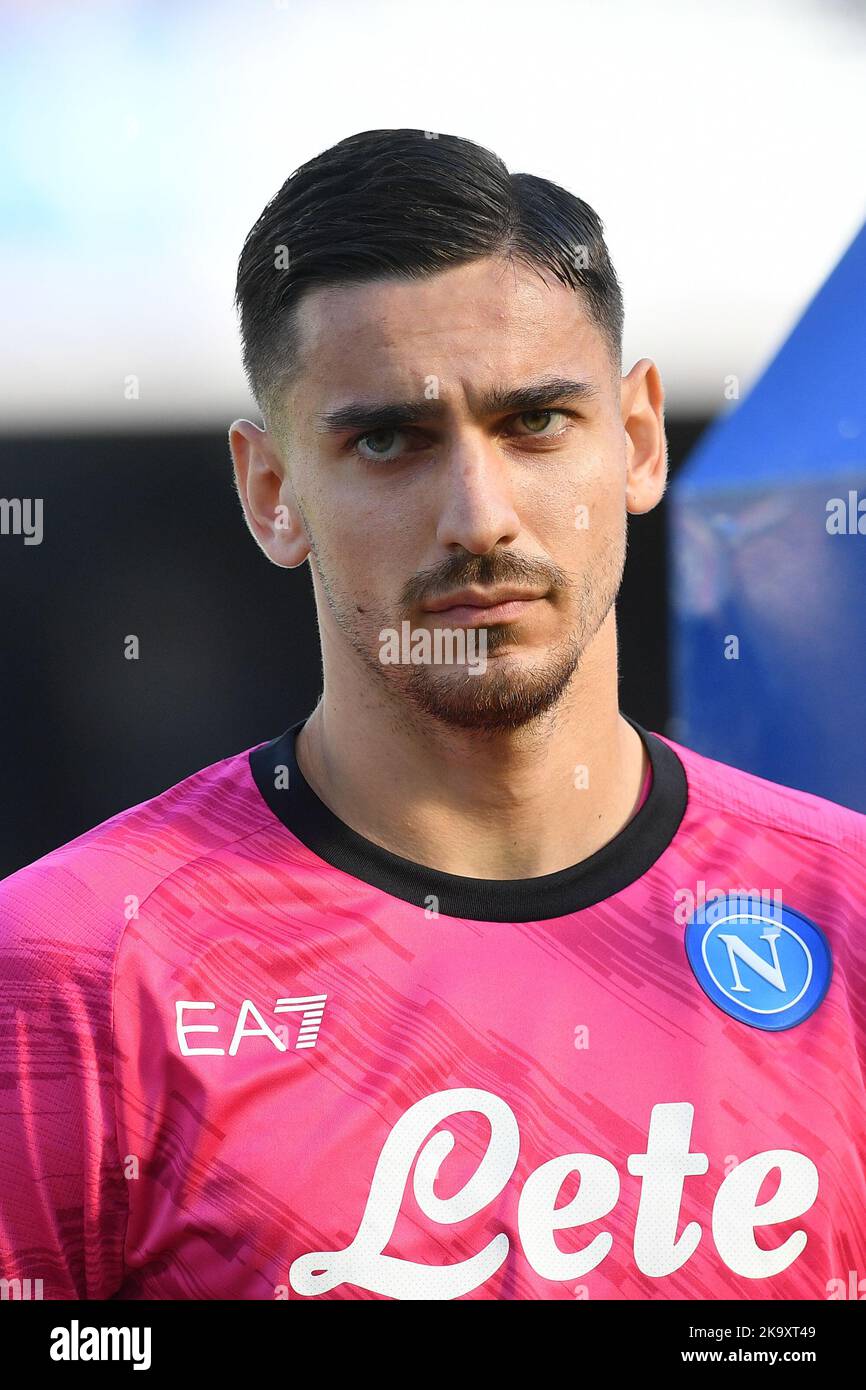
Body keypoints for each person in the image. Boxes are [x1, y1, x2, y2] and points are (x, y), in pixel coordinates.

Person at [1, 129, 864, 1301]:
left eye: (535, 422)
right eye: (389, 439)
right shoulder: (70, 968)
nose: (478, 515)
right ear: (271, 492)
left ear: (638, 440)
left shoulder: (843, 911)